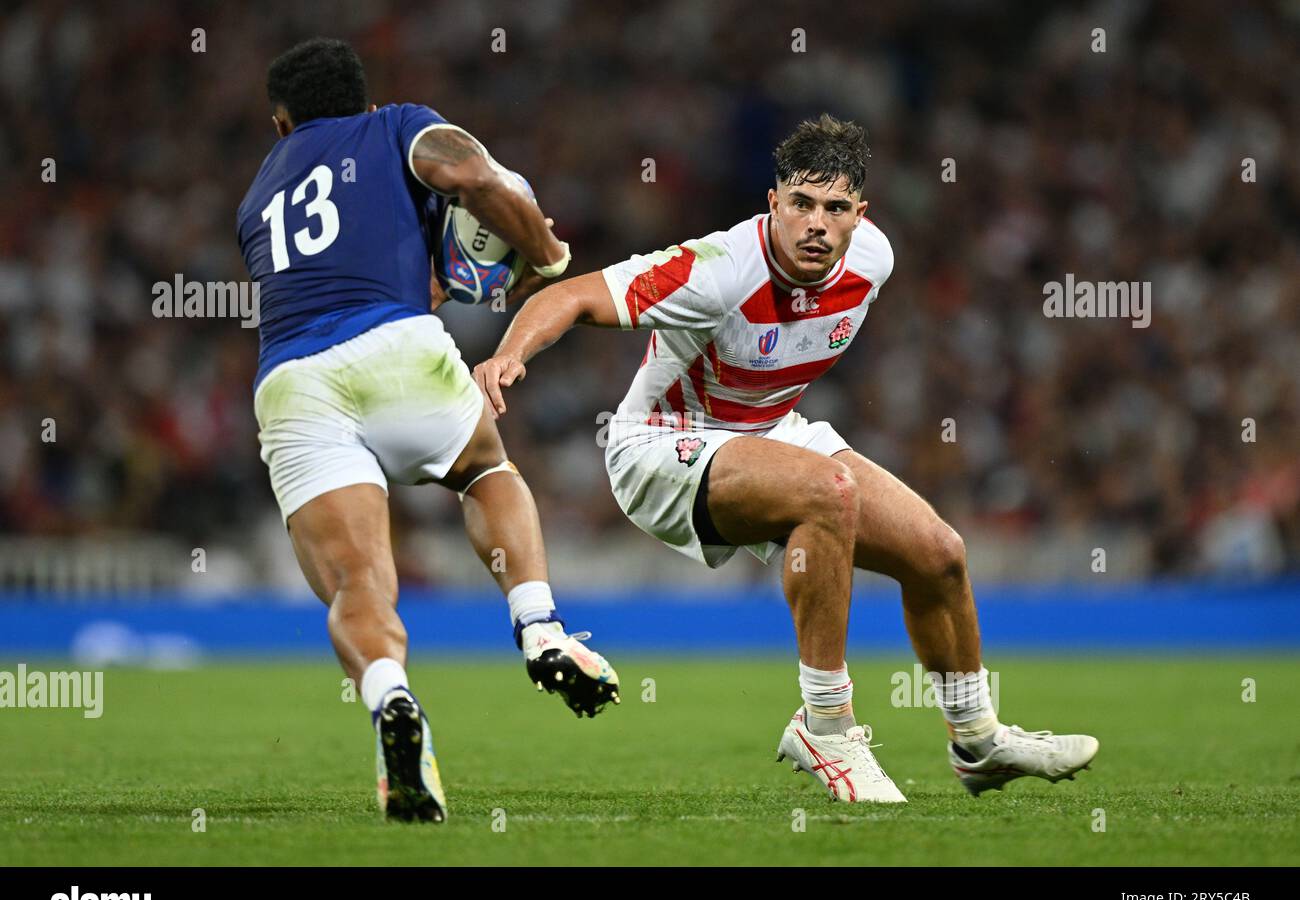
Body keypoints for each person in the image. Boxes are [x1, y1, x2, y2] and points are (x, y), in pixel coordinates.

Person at [473, 114, 1097, 803]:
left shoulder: (873, 261)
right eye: (800, 204)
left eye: (834, 208)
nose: (816, 225)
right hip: (660, 445)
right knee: (828, 491)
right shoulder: (716, 270)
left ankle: (978, 740)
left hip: (770, 432)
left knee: (939, 552)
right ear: (773, 203)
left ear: (861, 214)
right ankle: (825, 727)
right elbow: (570, 294)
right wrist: (509, 355)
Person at [235, 38, 619, 823]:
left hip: (293, 378)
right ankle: (540, 627)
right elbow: (475, 177)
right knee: (483, 472)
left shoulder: (254, 202)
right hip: (396, 349)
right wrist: (546, 253)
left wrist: (428, 278)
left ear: (281, 126)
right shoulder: (394, 127)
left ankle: (392, 699)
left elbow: (338, 274)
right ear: (366, 100)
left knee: (356, 584)